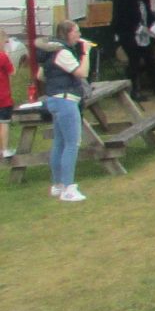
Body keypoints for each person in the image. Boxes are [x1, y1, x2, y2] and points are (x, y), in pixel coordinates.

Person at [37, 20, 91, 202]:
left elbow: (40, 75)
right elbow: (82, 73)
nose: (79, 35)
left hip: (54, 99)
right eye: (76, 31)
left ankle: (57, 184)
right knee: (72, 144)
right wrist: (86, 53)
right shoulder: (63, 52)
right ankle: (68, 187)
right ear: (67, 33)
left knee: (59, 142)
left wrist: (55, 80)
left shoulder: (50, 51)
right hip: (66, 100)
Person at [111, 0, 155, 98]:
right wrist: (137, 28)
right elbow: (123, 19)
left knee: (150, 60)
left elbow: (148, 14)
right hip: (129, 34)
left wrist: (154, 25)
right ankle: (135, 90)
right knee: (134, 61)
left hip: (143, 35)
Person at [0, 34, 20, 163]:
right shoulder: (2, 56)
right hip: (3, 96)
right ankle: (5, 149)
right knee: (4, 123)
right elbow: (12, 72)